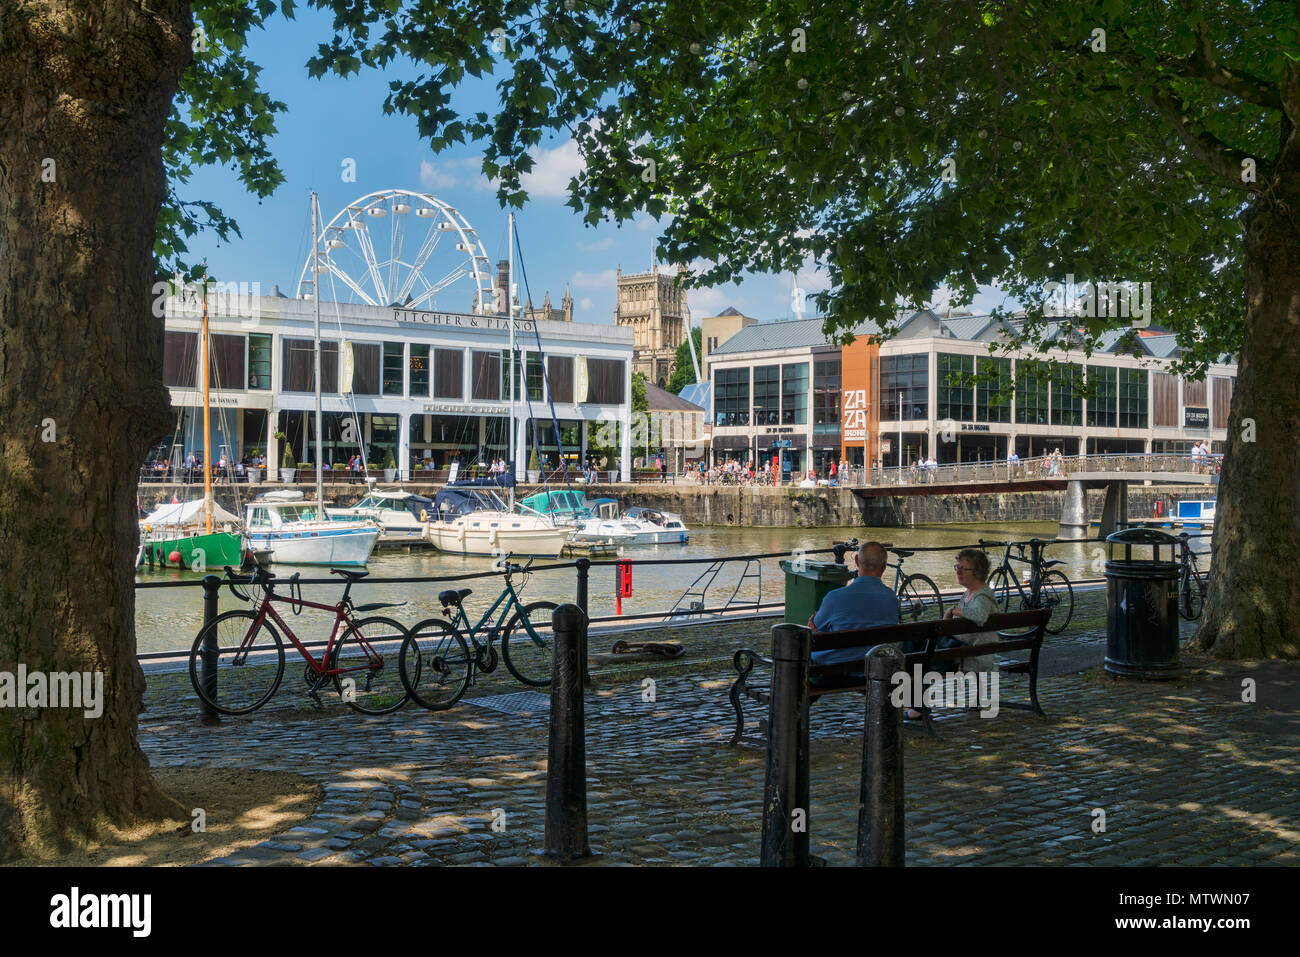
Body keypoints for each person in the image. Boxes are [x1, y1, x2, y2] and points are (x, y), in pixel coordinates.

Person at [807, 541, 900, 671]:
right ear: (884, 566)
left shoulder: (834, 598)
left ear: (856, 561)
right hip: (875, 670)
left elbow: (814, 628)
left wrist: (813, 628)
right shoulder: (892, 599)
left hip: (831, 672)